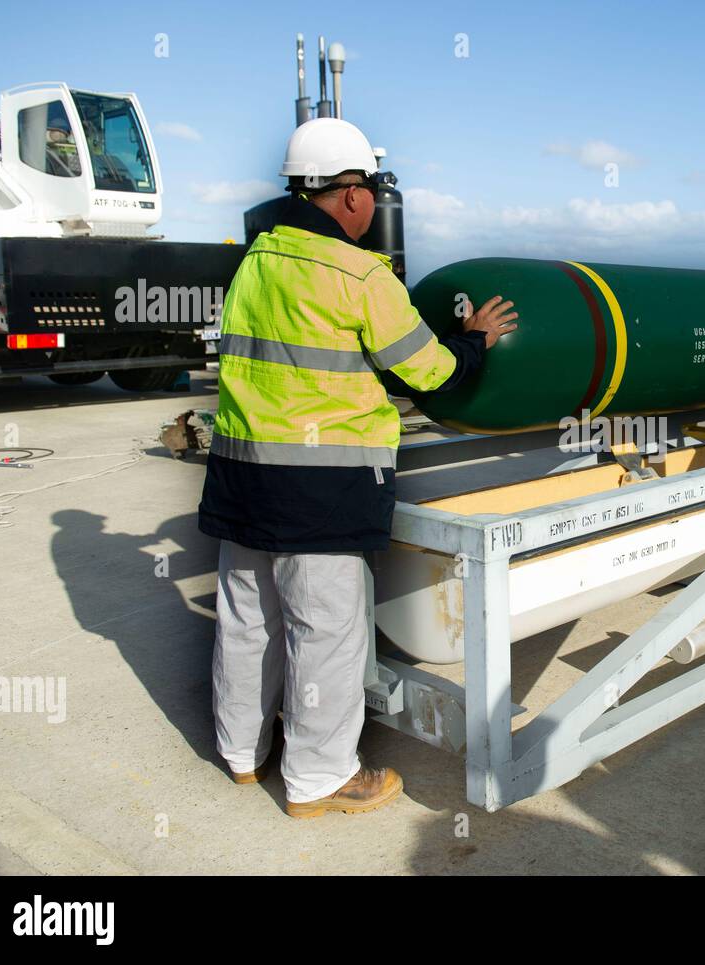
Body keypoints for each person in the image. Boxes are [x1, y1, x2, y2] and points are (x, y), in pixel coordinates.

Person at [197, 117, 518, 817]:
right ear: (348, 196)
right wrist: (475, 340)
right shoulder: (359, 273)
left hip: (243, 475)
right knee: (327, 634)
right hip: (321, 486)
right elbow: (427, 372)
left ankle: (241, 753)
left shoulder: (255, 260)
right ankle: (319, 778)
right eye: (371, 187)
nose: (374, 201)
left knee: (247, 620)